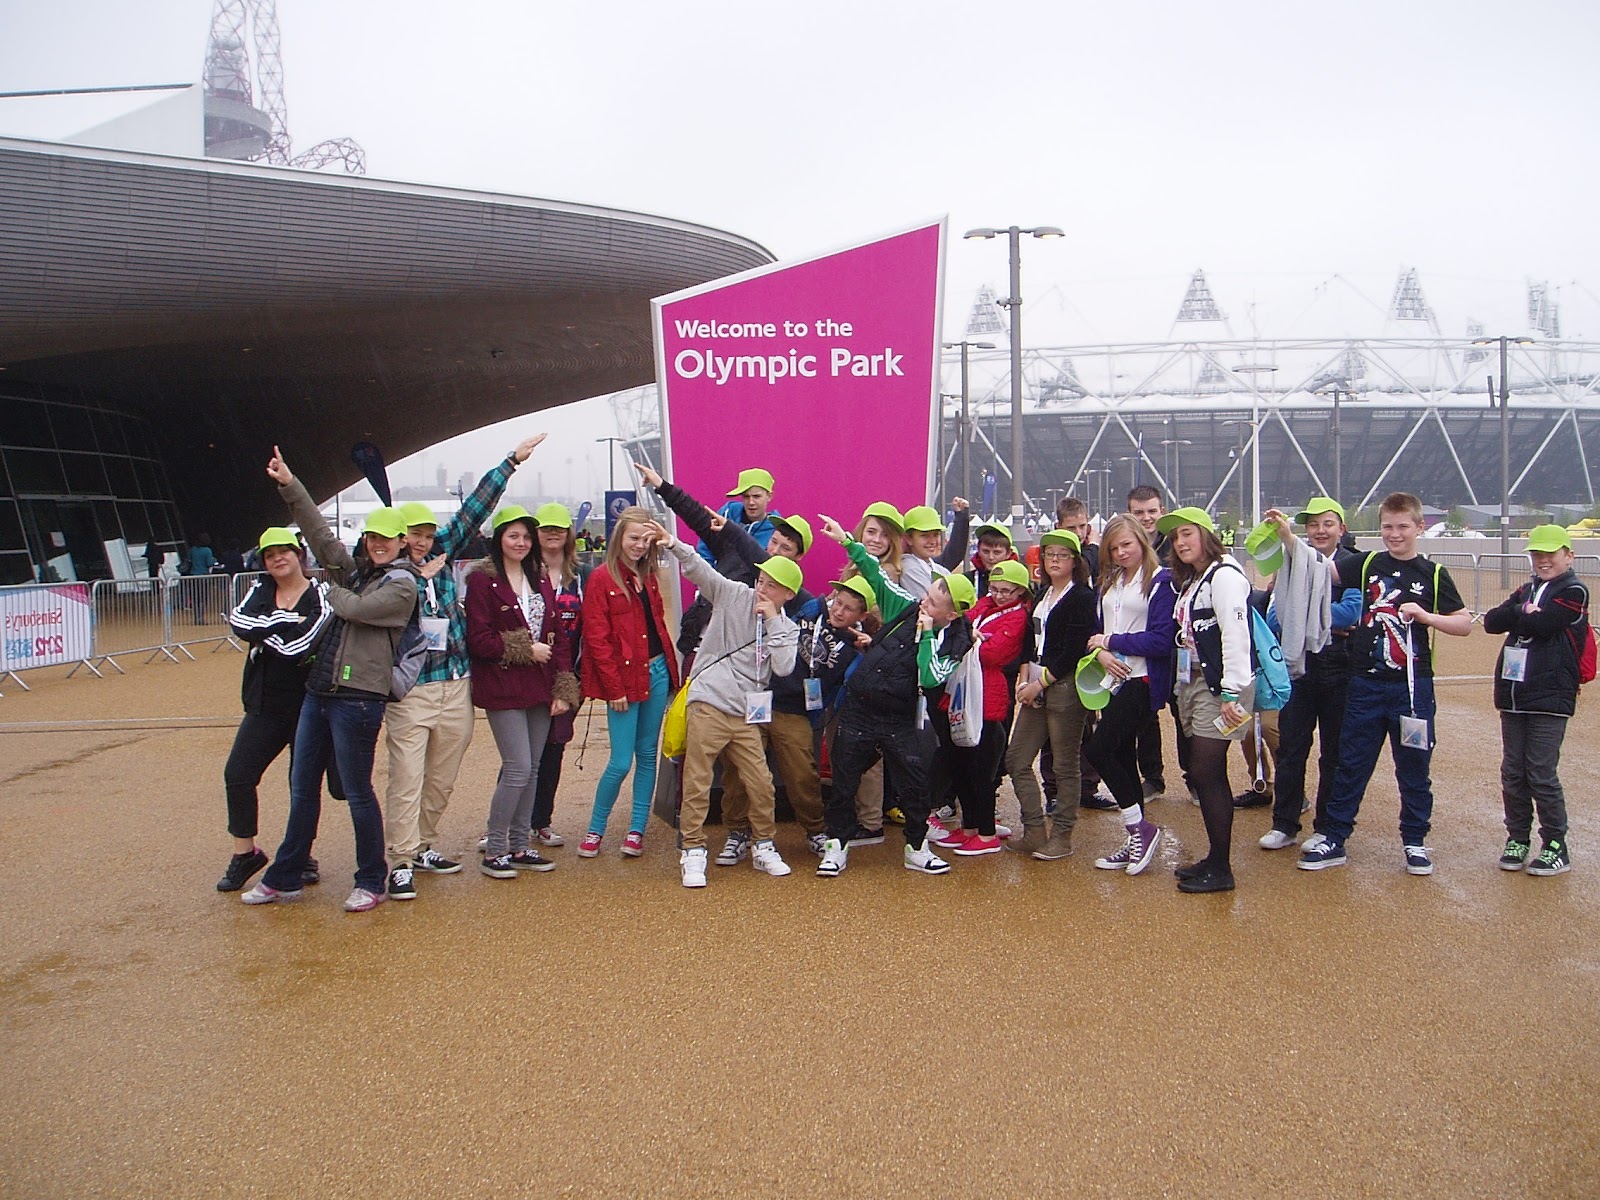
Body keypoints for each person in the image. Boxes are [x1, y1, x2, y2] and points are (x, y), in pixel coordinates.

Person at [243, 447, 437, 913]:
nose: (378, 544)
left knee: (356, 791)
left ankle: (371, 877)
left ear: (401, 543)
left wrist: (329, 591)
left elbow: (356, 610)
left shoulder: (402, 585)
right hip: (321, 691)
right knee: (302, 785)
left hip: (360, 699)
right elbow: (318, 533)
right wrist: (290, 485)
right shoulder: (355, 571)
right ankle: (286, 872)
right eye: (373, 537)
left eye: (388, 539)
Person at [381, 434, 544, 901]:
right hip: (412, 690)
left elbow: (474, 509)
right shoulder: (387, 573)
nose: (422, 541)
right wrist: (412, 575)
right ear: (398, 537)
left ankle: (424, 844)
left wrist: (510, 463)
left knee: (441, 777)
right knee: (407, 778)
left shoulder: (441, 554)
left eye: (428, 534)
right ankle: (400, 860)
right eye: (414, 534)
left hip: (456, 686)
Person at [1292, 492, 1471, 874]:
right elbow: (1320, 568)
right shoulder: (1368, 563)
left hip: (1411, 689)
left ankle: (1415, 840)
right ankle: (1335, 837)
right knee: (1350, 763)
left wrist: (1426, 616)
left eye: (1403, 526)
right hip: (1365, 685)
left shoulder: (1433, 574)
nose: (1394, 534)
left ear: (1419, 527)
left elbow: (1464, 623)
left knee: (1413, 766)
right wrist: (1287, 539)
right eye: (1388, 526)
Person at [814, 514, 973, 878]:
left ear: (952, 613)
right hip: (860, 707)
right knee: (843, 779)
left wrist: (928, 633)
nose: (924, 606)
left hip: (900, 716)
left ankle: (916, 848)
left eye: (933, 605)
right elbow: (874, 573)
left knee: (914, 784)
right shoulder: (906, 604)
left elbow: (932, 676)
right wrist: (845, 540)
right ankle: (836, 845)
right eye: (928, 596)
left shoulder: (955, 641)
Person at [658, 522, 801, 887]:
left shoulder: (786, 626)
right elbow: (701, 571)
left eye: (772, 585)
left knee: (761, 782)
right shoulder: (734, 593)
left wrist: (771, 621)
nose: (762, 589)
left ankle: (764, 845)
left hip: (746, 713)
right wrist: (674, 544)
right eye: (762, 580)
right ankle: (692, 851)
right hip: (708, 701)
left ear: (787, 593)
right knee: (698, 778)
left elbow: (784, 667)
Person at [217, 526, 337, 893]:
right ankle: (244, 853)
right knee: (237, 774)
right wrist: (282, 621)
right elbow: (238, 622)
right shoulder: (260, 591)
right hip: (265, 704)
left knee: (301, 786)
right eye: (270, 556)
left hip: (309, 704)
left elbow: (302, 645)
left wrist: (262, 630)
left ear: (299, 555)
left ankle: (300, 854)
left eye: (284, 552)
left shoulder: (321, 593)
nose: (278, 559)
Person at [466, 505, 577, 879]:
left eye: (526, 537)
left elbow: (557, 635)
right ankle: (495, 849)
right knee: (517, 768)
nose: (521, 542)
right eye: (513, 535)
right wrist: (524, 649)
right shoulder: (482, 580)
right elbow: (478, 638)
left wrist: (564, 685)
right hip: (502, 684)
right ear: (498, 539)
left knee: (532, 770)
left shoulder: (540, 576)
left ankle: (520, 844)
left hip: (541, 686)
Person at [1160, 507, 1255, 893]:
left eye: (1187, 534)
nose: (1181, 543)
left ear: (1205, 535)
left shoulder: (1225, 576)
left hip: (1220, 688)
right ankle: (1215, 858)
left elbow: (1235, 635)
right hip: (1197, 682)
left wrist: (1232, 692)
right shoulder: (1195, 579)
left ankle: (1222, 868)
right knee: (1203, 771)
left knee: (1207, 771)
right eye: (1176, 538)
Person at [1258, 499, 1361, 851]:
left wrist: (1302, 614)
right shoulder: (1290, 562)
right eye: (1314, 524)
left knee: (1334, 752)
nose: (1320, 530)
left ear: (1341, 529)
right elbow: (1275, 617)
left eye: (1328, 523)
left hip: (1339, 669)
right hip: (1298, 670)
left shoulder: (1352, 565)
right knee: (1291, 748)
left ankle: (1327, 826)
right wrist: (1315, 620)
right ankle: (1284, 823)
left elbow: (1352, 611)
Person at [1483, 524, 1586, 877]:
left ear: (1568, 556)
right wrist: (1521, 612)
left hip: (1550, 694)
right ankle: (1517, 838)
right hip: (1514, 693)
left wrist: (1521, 614)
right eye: (1537, 554)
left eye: (1550, 554)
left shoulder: (1573, 590)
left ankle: (1556, 844)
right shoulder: (1527, 589)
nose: (1543, 560)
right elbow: (1493, 622)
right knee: (1513, 771)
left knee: (1541, 771)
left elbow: (1546, 625)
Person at [579, 506, 681, 857]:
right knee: (621, 760)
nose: (638, 545)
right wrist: (613, 688)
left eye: (645, 539)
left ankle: (636, 830)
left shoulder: (649, 575)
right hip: (623, 678)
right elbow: (597, 638)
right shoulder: (601, 579)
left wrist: (669, 674)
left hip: (655, 671)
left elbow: (657, 627)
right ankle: (596, 828)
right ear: (619, 537)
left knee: (648, 755)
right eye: (633, 538)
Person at [1082, 515, 1177, 879]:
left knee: (1098, 751)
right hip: (1110, 679)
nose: (1121, 552)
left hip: (1141, 681)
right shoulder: (1109, 580)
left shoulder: (1161, 581)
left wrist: (1112, 642)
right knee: (1121, 756)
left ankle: (1141, 830)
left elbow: (1160, 639)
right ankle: (1135, 834)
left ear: (1142, 541)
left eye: (1127, 545)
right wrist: (1102, 651)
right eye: (1114, 547)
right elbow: (1097, 631)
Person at [929, 558, 1030, 855]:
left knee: (982, 770)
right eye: (994, 588)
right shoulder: (987, 605)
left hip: (987, 695)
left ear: (1020, 592)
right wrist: (971, 634)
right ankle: (971, 824)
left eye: (1006, 591)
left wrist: (970, 637)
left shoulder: (1017, 617)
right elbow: (964, 623)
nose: (998, 595)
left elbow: (993, 653)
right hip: (965, 689)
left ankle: (986, 833)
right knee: (962, 765)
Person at [1006, 535, 1095, 858]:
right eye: (1049, 554)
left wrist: (1039, 683)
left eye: (1062, 555)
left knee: (1064, 764)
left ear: (1075, 560)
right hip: (1037, 683)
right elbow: (1031, 642)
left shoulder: (1082, 597)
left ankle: (1062, 835)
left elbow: (1073, 648)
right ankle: (1033, 829)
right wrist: (1025, 679)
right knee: (1016, 758)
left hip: (1064, 687)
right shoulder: (1042, 595)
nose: (1054, 560)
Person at [528, 502, 590, 848]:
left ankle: (540, 821)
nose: (552, 534)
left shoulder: (580, 578)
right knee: (522, 753)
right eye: (546, 528)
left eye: (559, 528)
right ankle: (505, 822)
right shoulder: (521, 575)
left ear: (569, 534)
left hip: (568, 677)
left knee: (553, 750)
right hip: (529, 675)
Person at [1127, 485, 1177, 801]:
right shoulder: (1125, 548)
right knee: (1145, 716)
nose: (1146, 518)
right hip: (1143, 643)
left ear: (1162, 511)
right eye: (1139, 512)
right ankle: (1153, 778)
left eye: (1152, 511)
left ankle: (1196, 780)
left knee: (1184, 712)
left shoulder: (1177, 545)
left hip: (1179, 643)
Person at [899, 500, 971, 599]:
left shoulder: (936, 567)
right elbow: (934, 604)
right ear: (909, 539)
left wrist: (961, 516)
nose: (932, 541)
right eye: (924, 536)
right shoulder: (909, 569)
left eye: (936, 535)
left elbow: (954, 555)